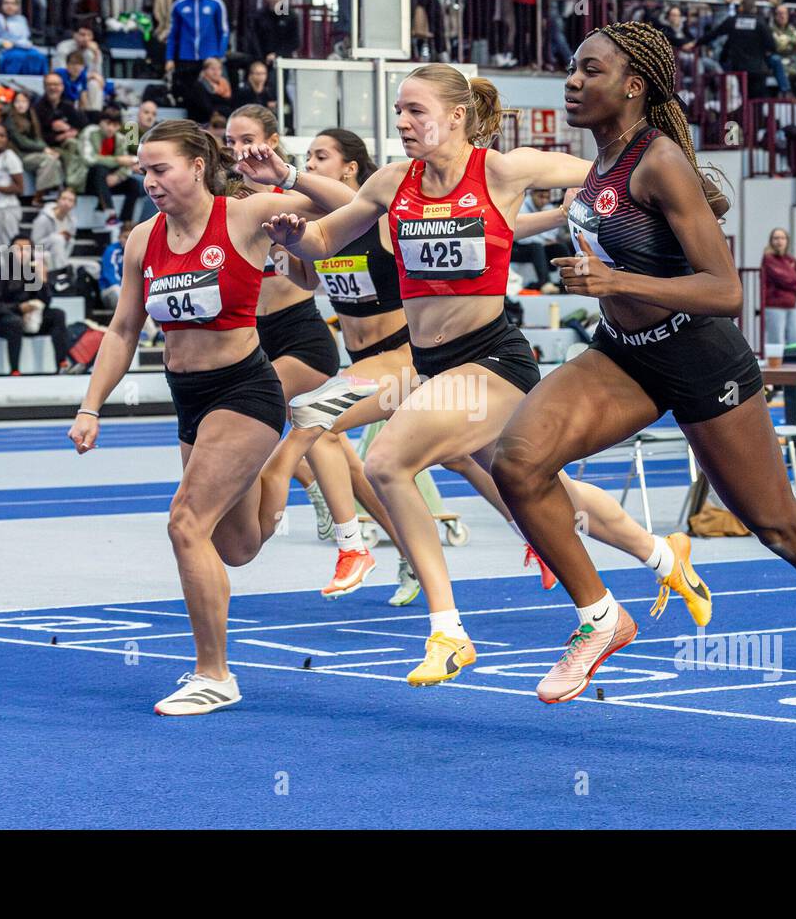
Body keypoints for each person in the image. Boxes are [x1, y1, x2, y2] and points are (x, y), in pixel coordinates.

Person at [489, 22, 796, 726]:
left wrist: (613, 277)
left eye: (589, 70)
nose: (572, 80)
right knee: (518, 462)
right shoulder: (600, 161)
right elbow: (620, 269)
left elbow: (725, 290)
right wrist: (600, 284)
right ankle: (601, 617)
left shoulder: (658, 164)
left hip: (700, 357)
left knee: (776, 526)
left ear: (633, 85)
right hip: (626, 354)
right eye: (571, 68)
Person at [259, 65, 690, 687]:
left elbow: (619, 171)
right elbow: (325, 239)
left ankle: (448, 630)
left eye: (414, 110)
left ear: (457, 115)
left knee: (386, 462)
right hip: (426, 363)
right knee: (537, 489)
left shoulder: (504, 170)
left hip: (491, 360)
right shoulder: (390, 182)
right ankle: (660, 553)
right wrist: (294, 235)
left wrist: (665, 200)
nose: (403, 122)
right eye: (398, 111)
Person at [67, 119, 356, 715]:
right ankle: (280, 471)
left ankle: (214, 674)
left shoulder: (243, 216)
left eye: (160, 169)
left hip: (246, 389)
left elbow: (358, 204)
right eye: (142, 171)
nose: (149, 181)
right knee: (237, 546)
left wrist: (289, 176)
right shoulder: (142, 240)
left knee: (184, 524)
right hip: (188, 398)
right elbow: (123, 330)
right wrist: (90, 405)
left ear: (198, 166)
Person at [225, 104, 341, 537]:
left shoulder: (292, 197)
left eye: (246, 139)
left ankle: (254, 513)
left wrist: (289, 179)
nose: (237, 148)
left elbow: (354, 204)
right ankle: (353, 519)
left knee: (246, 416)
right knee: (332, 449)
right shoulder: (229, 201)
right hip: (252, 337)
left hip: (301, 335)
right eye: (230, 141)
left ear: (271, 142)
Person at [0, 235, 73, 376]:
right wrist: (18, 308)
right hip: (5, 320)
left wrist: (43, 282)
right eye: (18, 249)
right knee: (14, 321)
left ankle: (62, 363)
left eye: (27, 249)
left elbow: (46, 302)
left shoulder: (34, 271)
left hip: (32, 318)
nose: (23, 253)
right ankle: (15, 369)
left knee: (57, 314)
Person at [166, 0, 230, 104]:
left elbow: (224, 31)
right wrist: (169, 58)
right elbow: (173, 34)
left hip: (209, 56)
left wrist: (219, 55)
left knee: (210, 93)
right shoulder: (179, 5)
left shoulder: (215, 3)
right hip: (186, 56)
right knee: (189, 94)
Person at [80, 105, 143, 224]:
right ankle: (110, 212)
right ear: (100, 122)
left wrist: (117, 177)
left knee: (133, 184)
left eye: (114, 125)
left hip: (109, 181)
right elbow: (88, 159)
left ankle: (126, 222)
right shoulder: (89, 132)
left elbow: (126, 165)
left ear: (119, 126)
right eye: (107, 123)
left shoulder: (120, 138)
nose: (110, 128)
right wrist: (117, 160)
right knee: (100, 169)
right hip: (87, 180)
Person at [6, 90, 64, 206]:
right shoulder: (9, 120)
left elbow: (38, 138)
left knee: (55, 160)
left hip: (32, 154)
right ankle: (38, 197)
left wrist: (48, 150)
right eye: (17, 101)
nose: (21, 104)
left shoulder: (32, 117)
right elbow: (21, 142)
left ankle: (57, 194)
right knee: (49, 160)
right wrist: (44, 149)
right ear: (13, 103)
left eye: (24, 101)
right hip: (18, 155)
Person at [760, 227, 796, 346]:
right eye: (776, 238)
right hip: (774, 306)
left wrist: (793, 278)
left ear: (787, 241)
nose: (779, 241)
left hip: (792, 305)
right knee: (776, 341)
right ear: (771, 241)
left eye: (782, 238)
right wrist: (794, 277)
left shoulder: (791, 259)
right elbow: (786, 280)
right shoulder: (768, 259)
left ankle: (793, 364)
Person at [0, 0, 48, 75]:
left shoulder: (22, 19)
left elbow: (26, 36)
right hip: (9, 50)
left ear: (17, 6)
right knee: (17, 57)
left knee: (39, 57)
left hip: (25, 48)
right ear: (1, 5)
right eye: (6, 3)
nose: (9, 6)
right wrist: (3, 42)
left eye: (13, 3)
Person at [250, 0, 301, 66]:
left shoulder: (291, 16)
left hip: (283, 59)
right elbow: (254, 39)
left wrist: (277, 54)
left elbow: (294, 42)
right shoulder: (258, 16)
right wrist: (260, 57)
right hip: (260, 59)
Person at [31, 187, 79, 274]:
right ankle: (62, 271)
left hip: (61, 252)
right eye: (64, 199)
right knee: (58, 239)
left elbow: (69, 240)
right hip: (41, 250)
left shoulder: (72, 221)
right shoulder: (44, 218)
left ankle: (63, 266)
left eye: (70, 200)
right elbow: (35, 242)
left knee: (71, 240)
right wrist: (56, 237)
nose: (66, 203)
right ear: (58, 200)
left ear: (74, 205)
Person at [186, 57, 234, 124]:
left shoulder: (224, 84)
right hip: (203, 122)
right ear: (205, 70)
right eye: (212, 69)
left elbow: (230, 104)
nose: (216, 72)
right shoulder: (199, 85)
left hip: (223, 120)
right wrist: (223, 110)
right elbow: (206, 108)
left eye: (219, 69)